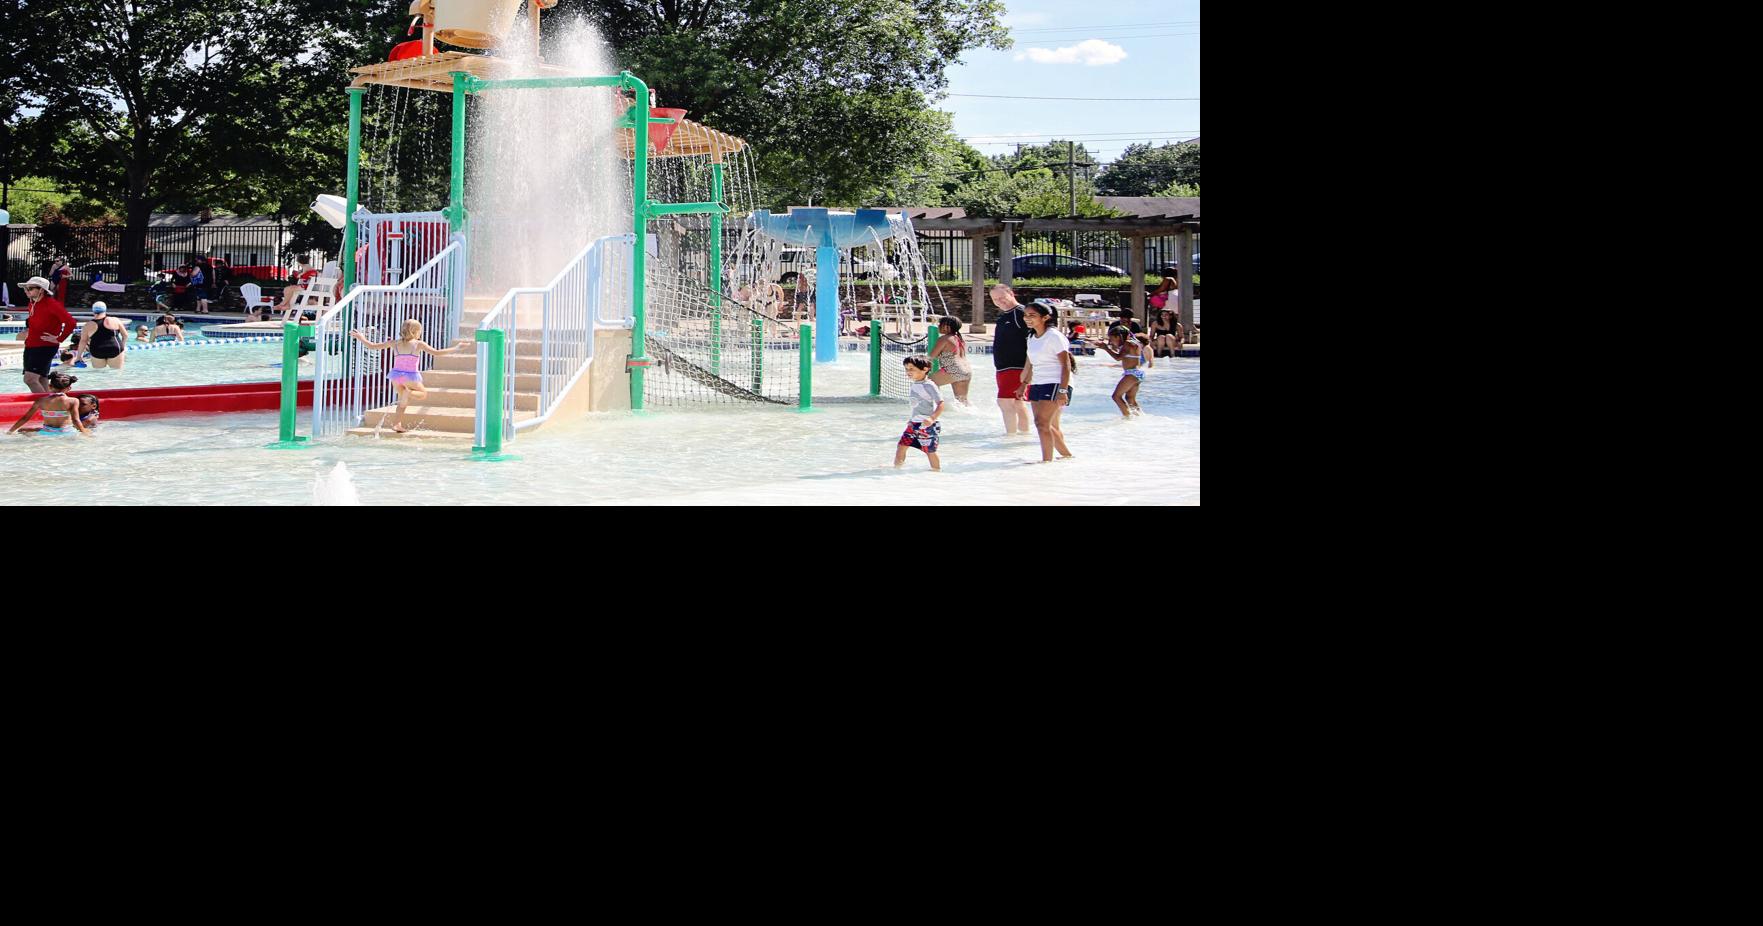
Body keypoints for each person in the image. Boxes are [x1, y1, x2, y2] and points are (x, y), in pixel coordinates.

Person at [349, 318, 469, 433]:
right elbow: (436, 353)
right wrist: (456, 348)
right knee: (423, 394)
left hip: (396, 376)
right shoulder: (418, 344)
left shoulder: (394, 343)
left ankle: (397, 424)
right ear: (416, 332)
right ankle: (409, 393)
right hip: (410, 376)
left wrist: (361, 338)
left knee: (402, 401)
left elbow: (372, 346)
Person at [1014, 303, 1074, 463]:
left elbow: (1066, 365)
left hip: (1055, 383)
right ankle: (1067, 455)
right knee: (1043, 423)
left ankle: (1046, 461)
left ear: (1045, 317)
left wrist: (1063, 391)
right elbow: (1033, 363)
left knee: (1042, 423)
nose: (1027, 318)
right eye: (1026, 315)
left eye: (1032, 315)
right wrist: (1024, 384)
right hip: (1037, 383)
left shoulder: (1054, 336)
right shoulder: (1031, 337)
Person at [18, 276, 78, 394]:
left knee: (30, 379)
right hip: (31, 345)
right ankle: (52, 408)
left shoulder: (52, 304)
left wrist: (59, 339)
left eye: (29, 288)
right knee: (41, 378)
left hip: (44, 347)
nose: (26, 291)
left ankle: (46, 406)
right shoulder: (32, 304)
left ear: (41, 290)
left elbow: (71, 322)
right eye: (25, 288)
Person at [988, 284, 1033, 436]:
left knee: (1005, 402)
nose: (1000, 301)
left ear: (1011, 294)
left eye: (1002, 297)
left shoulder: (1021, 313)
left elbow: (1032, 339)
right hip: (1004, 367)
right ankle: (1022, 436)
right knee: (1017, 403)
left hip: (1016, 367)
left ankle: (1010, 437)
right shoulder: (1004, 316)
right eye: (995, 299)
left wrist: (1027, 369)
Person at [895, 356, 944, 471]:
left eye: (912, 369)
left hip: (927, 425)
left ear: (925, 369)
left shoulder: (929, 385)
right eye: (906, 369)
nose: (908, 372)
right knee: (901, 446)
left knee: (930, 451)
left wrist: (931, 419)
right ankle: (896, 469)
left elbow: (941, 404)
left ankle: (937, 471)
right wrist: (912, 418)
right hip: (913, 424)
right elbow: (917, 405)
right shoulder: (914, 384)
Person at [8, 371, 92, 437]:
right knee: (89, 431)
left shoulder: (41, 401)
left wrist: (10, 431)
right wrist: (84, 433)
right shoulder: (73, 401)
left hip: (47, 432)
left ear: (49, 386)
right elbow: (76, 420)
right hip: (66, 432)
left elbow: (25, 418)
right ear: (69, 388)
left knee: (21, 430)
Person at [1092, 326, 1145, 418]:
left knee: (1116, 396)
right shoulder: (1134, 343)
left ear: (1118, 336)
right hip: (1137, 373)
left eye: (1112, 339)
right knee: (1130, 399)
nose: (1111, 342)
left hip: (1131, 374)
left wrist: (1106, 348)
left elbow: (1118, 358)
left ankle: (1128, 418)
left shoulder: (1127, 344)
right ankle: (1140, 417)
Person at [927, 316, 972, 406]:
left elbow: (931, 357)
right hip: (967, 371)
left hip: (953, 370)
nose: (939, 326)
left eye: (940, 324)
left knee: (926, 382)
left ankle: (935, 406)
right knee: (963, 402)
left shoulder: (944, 339)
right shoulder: (960, 339)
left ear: (946, 327)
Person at [73, 301, 129, 369]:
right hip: (115, 349)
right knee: (116, 374)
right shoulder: (115, 320)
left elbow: (83, 341)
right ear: (105, 310)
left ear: (93, 311)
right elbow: (125, 335)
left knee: (98, 374)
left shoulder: (88, 325)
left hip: (97, 350)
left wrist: (79, 357)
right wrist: (122, 347)